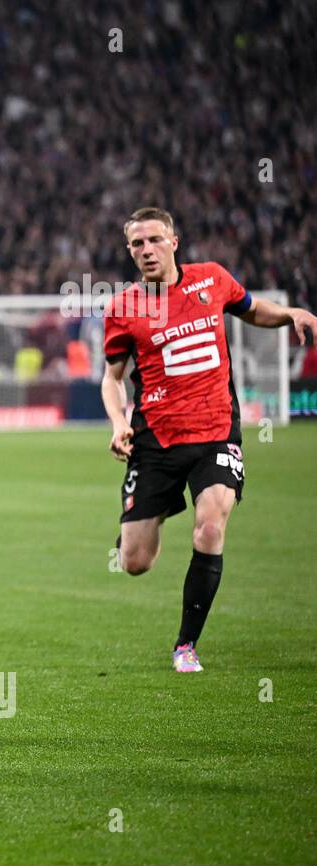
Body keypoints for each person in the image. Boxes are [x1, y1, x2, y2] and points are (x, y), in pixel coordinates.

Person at [100, 208, 316, 671]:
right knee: (135, 561)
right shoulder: (123, 309)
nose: (146, 250)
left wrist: (291, 314)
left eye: (155, 240)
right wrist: (119, 421)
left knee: (212, 525)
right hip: (155, 440)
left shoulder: (211, 280)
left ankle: (185, 645)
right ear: (130, 251)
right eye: (137, 244)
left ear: (174, 242)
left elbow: (252, 308)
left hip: (217, 432)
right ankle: (153, 512)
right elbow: (112, 377)